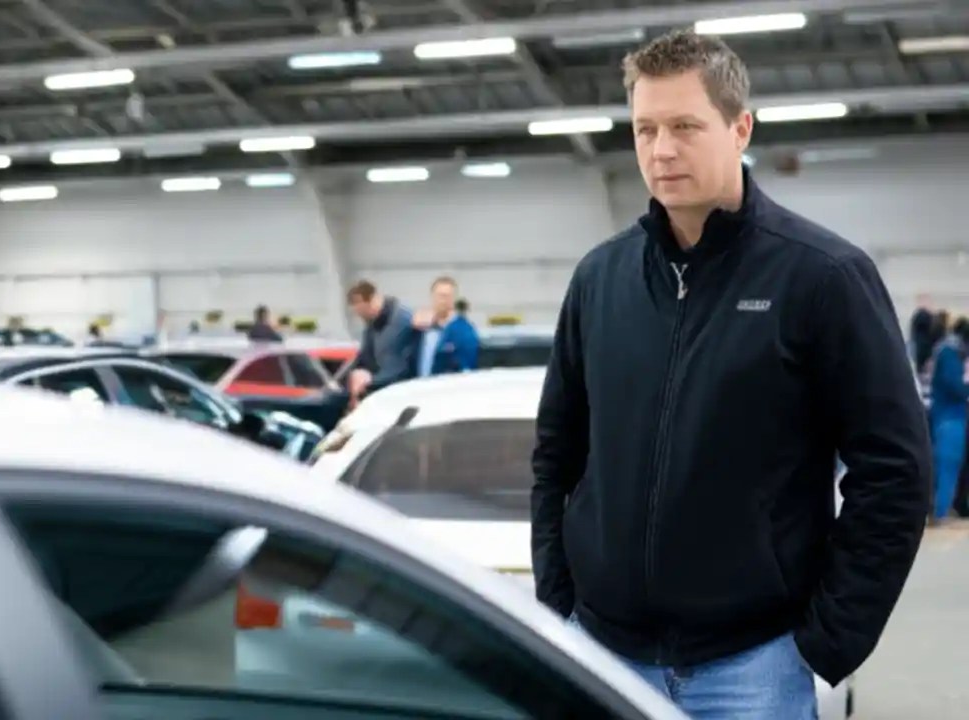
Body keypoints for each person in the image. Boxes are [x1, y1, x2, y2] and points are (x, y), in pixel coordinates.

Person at [531, 29, 930, 719]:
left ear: (740, 127)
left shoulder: (821, 277)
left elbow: (895, 471)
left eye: (685, 126)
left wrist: (826, 642)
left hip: (752, 668)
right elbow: (556, 451)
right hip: (604, 652)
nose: (661, 150)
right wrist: (558, 597)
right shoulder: (601, 278)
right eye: (645, 128)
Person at [345, 280, 417, 406]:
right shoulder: (372, 325)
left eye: (361, 311)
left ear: (372, 300)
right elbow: (365, 357)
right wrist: (351, 377)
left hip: (402, 394)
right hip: (383, 390)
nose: (360, 316)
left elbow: (397, 369)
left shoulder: (401, 321)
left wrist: (369, 382)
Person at [928, 317, 969, 524]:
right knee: (948, 463)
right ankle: (940, 511)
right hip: (950, 417)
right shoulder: (950, 354)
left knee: (947, 465)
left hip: (949, 416)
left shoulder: (947, 351)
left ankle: (943, 508)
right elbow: (955, 386)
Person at [413, 276, 479, 377]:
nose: (443, 301)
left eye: (447, 296)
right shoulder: (422, 329)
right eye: (439, 296)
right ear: (432, 297)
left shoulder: (465, 331)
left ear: (454, 299)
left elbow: (468, 367)